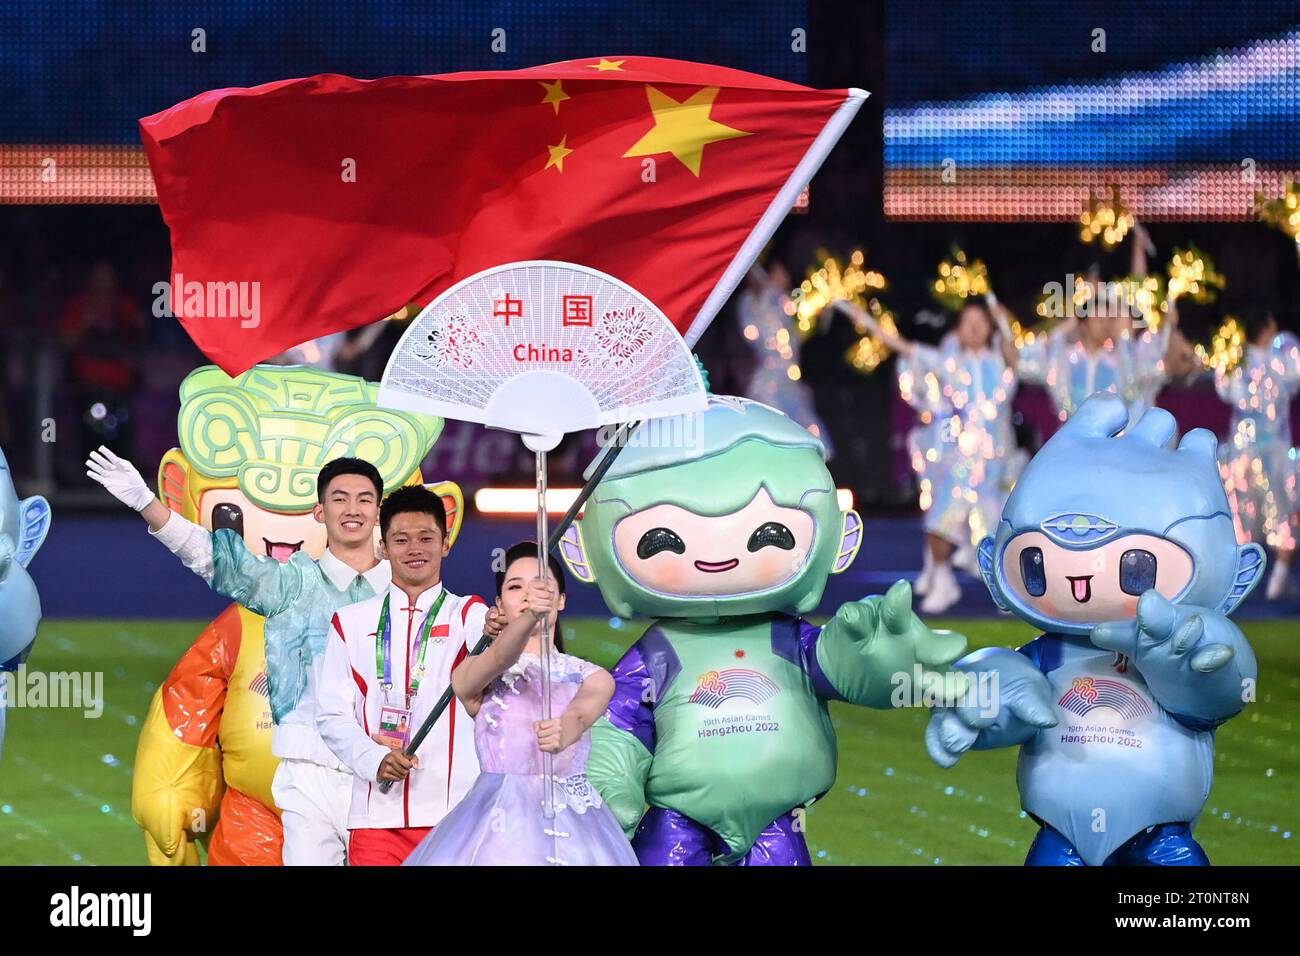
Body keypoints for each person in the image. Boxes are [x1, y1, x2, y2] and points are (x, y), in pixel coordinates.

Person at [86, 366, 480, 865]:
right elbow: (213, 557)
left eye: (364, 499)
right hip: (310, 772)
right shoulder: (286, 584)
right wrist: (146, 503)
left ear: (380, 510)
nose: (352, 509)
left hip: (391, 774)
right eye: (339, 499)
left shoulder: (413, 592)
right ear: (319, 512)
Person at [565, 395, 966, 866]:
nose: (717, 558)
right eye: (662, 540)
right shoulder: (659, 652)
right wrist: (610, 789)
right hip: (678, 820)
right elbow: (621, 724)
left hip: (777, 822)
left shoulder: (789, 640)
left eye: (770, 534)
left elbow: (841, 665)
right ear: (582, 550)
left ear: (842, 537)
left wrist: (882, 661)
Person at [927, 394, 1263, 865]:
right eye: (1038, 559)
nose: (1080, 580)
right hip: (1060, 837)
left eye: (1136, 566)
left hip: (1161, 840)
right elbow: (1015, 692)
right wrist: (982, 698)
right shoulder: (1050, 654)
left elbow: (1221, 693)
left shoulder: (1179, 637)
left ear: (1236, 574)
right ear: (994, 563)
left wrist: (1186, 661)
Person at [405, 542, 637, 866]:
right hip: (498, 830)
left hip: (573, 828)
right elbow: (501, 656)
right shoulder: (478, 671)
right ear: (499, 604)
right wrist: (529, 618)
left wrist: (565, 729)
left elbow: (582, 711)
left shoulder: (593, 676)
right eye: (516, 588)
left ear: (561, 599)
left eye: (541, 587)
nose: (529, 594)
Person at [316, 485, 489, 866]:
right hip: (376, 820)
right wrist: (373, 758)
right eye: (401, 539)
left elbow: (499, 652)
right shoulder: (349, 623)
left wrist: (506, 624)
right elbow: (331, 715)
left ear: (445, 543)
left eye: (427, 538)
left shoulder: (469, 615)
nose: (415, 549)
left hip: (453, 816)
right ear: (383, 548)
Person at [840, 297, 1020, 614]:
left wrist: (1002, 317)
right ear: (958, 331)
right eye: (967, 322)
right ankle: (942, 580)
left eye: (981, 321)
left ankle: (1005, 591)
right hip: (959, 460)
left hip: (994, 463)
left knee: (997, 529)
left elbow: (1016, 351)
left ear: (989, 326)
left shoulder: (1002, 362)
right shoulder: (947, 362)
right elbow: (905, 347)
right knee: (939, 521)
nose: (975, 327)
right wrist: (865, 321)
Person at [1215, 306, 1300, 600]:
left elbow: (1225, 391)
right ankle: (1277, 580)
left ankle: (1242, 585)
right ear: (1267, 326)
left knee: (1242, 520)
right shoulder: (1280, 361)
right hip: (1274, 452)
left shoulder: (1234, 363)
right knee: (1284, 515)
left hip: (1241, 454)